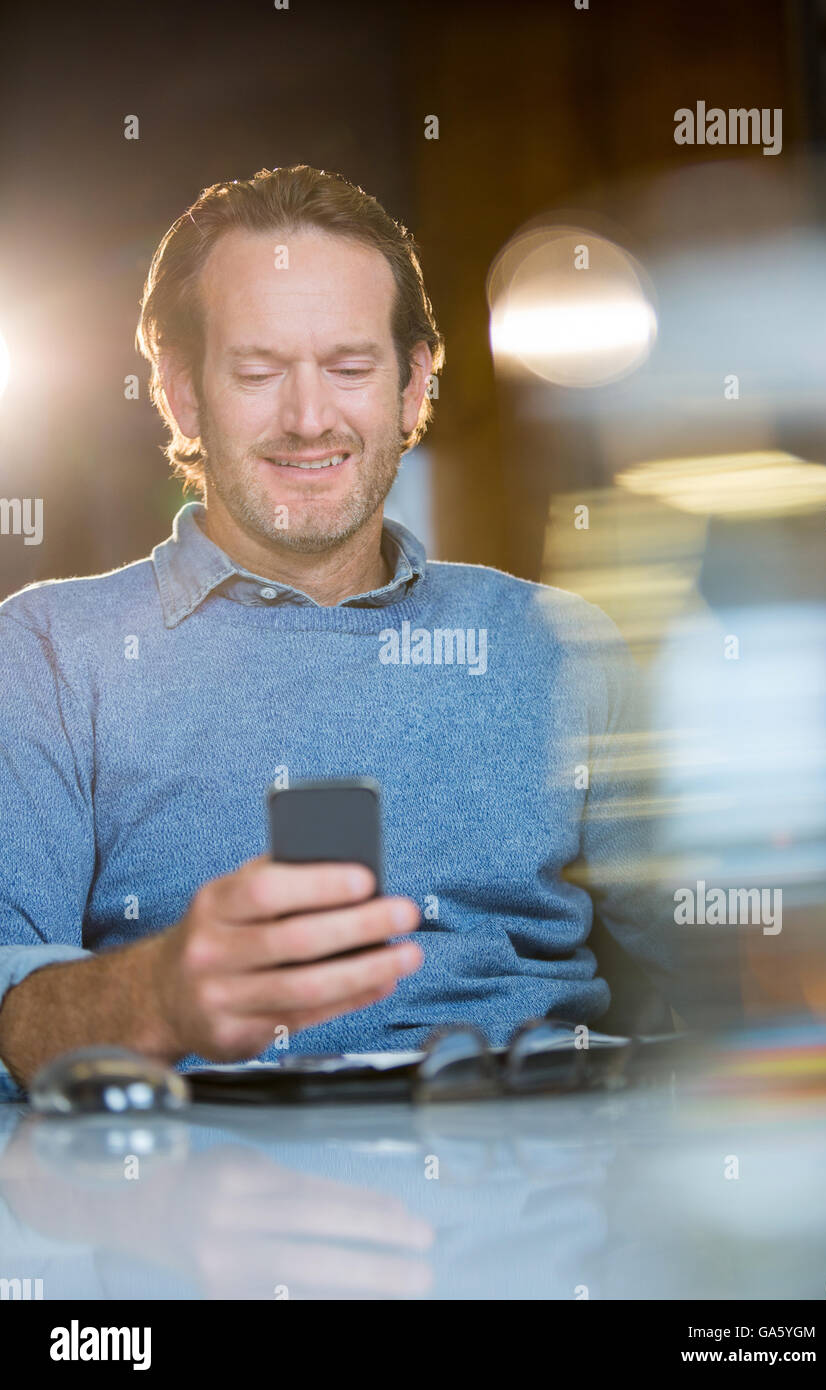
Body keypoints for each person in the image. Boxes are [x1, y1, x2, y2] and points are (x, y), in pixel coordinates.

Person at [0, 165, 674, 1098]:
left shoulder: (562, 647)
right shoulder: (47, 654)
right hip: (192, 1204)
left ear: (412, 387)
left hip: (538, 1180)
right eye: (259, 371)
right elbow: (7, 1011)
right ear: (182, 393)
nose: (309, 418)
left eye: (351, 369)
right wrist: (153, 994)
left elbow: (727, 973)